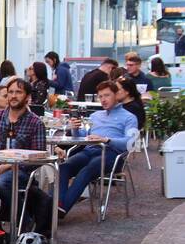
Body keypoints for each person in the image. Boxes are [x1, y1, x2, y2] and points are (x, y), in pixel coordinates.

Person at [0, 78, 52, 241]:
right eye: (10, 92)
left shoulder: (35, 122)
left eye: (18, 92)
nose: (13, 96)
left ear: (27, 97)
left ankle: (24, 219)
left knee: (2, 181)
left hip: (22, 170)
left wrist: (8, 165)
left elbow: (37, 156)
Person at [56, 81, 139, 217]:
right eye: (100, 96)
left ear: (117, 95)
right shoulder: (95, 116)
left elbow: (130, 143)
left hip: (112, 154)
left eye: (107, 95)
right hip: (90, 150)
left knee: (86, 171)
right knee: (64, 167)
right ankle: (57, 206)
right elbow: (84, 136)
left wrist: (107, 140)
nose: (103, 100)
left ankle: (60, 210)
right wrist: (75, 129)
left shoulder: (129, 117)